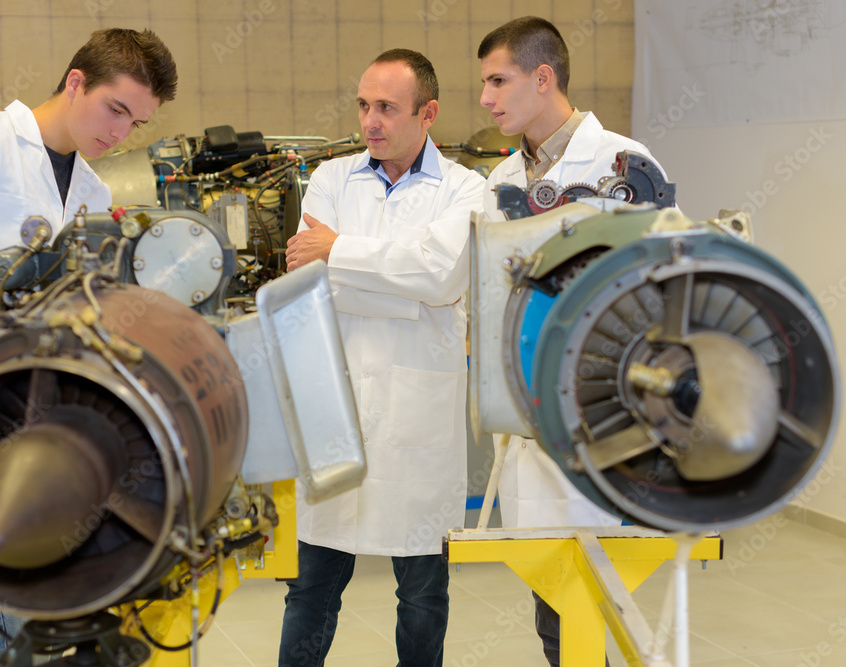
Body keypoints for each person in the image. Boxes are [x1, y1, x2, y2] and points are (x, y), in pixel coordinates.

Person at [0, 28, 177, 667]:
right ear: (76, 81)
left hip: (62, 419)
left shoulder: (95, 194)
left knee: (66, 586)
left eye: (137, 121)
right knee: (15, 595)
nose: (121, 131)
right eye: (116, 109)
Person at [279, 49, 485, 667]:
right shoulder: (331, 179)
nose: (371, 120)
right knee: (311, 585)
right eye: (365, 105)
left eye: (387, 108)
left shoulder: (466, 188)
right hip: (335, 410)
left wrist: (339, 249)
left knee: (422, 592)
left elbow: (442, 276)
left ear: (428, 113)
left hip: (417, 420)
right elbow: (309, 278)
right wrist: (400, 280)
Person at [477, 16, 667, 667]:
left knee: (597, 604)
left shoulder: (625, 165)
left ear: (543, 77)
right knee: (554, 606)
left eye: (497, 80)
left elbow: (660, 295)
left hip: (602, 414)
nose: (486, 98)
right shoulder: (501, 182)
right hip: (528, 414)